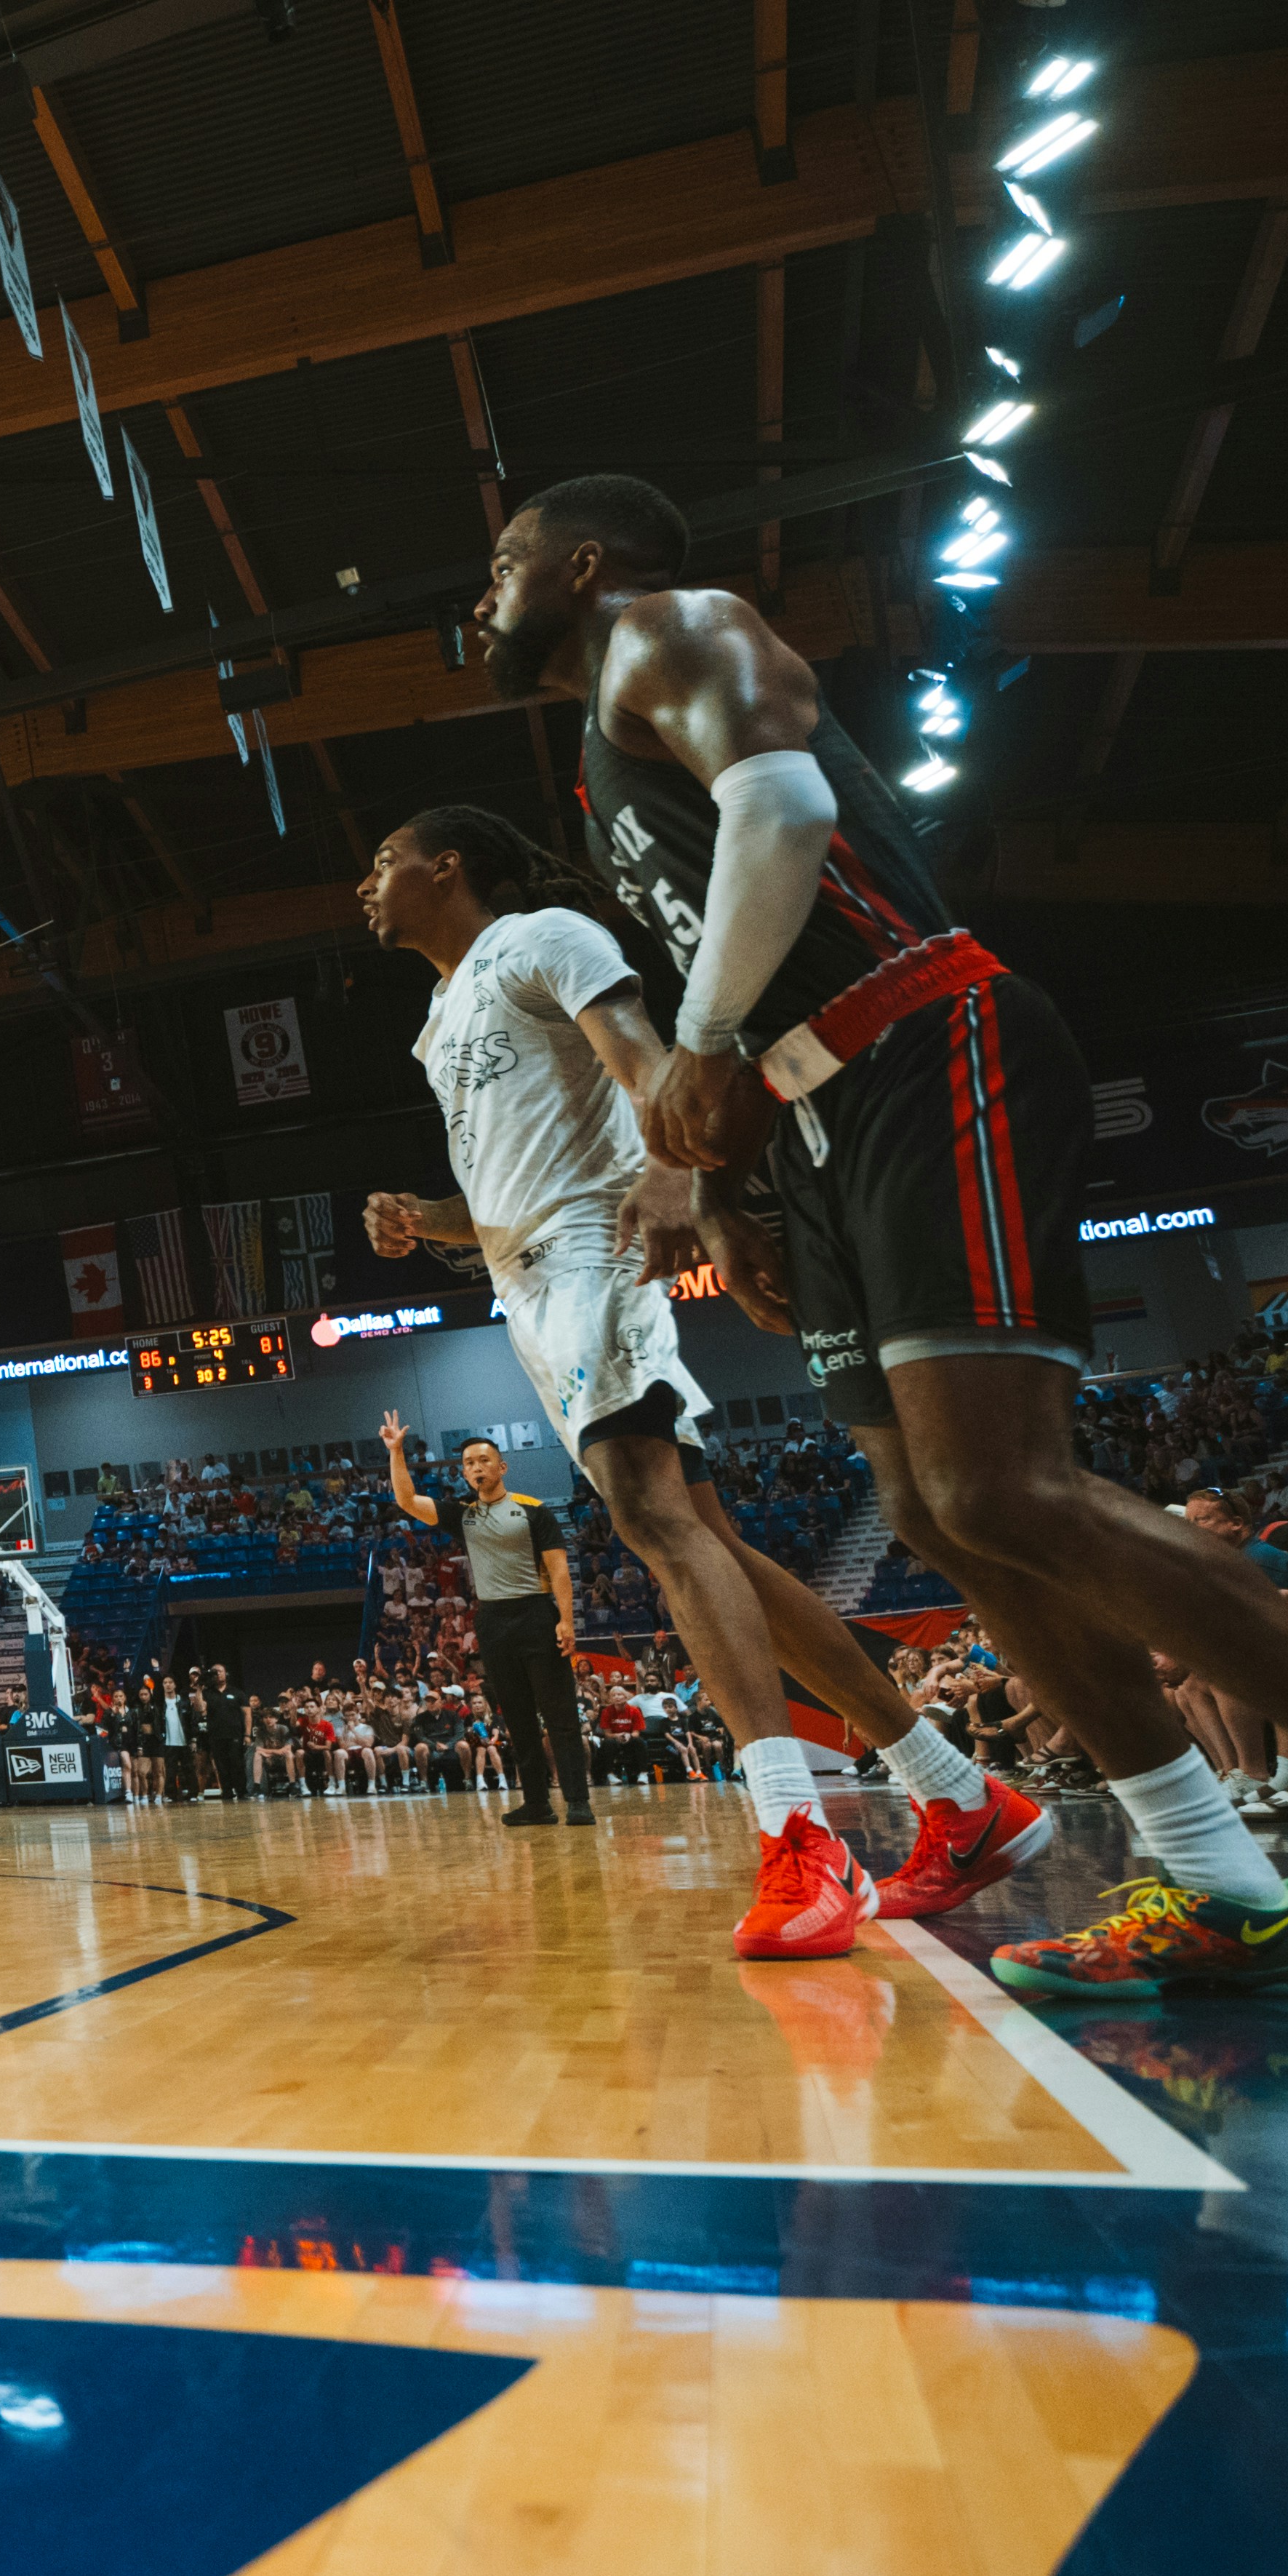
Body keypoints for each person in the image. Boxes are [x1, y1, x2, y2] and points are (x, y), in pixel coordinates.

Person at [487, 470, 1288, 2025]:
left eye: (503, 563)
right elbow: (746, 959)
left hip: (929, 1043)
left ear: (582, 565)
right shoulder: (607, 748)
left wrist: (709, 1041)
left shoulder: (668, 626)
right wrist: (729, 1181)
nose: (480, 595)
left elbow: (787, 811)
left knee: (1004, 1484)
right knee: (938, 1514)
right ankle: (1230, 1889)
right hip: (822, 1111)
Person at [357, 800, 1053, 1943]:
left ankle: (798, 1837)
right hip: (525, 1279)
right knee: (712, 1547)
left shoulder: (540, 939)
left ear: (448, 866)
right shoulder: (439, 1020)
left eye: (383, 860)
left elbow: (647, 1065)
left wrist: (680, 1178)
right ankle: (961, 1797)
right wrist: (424, 1219)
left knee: (654, 1521)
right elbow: (493, 1192)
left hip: (596, 1247)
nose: (366, 886)